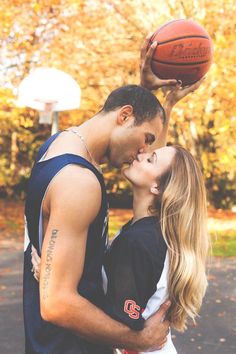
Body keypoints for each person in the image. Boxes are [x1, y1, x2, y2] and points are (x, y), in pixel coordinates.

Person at [24, 33, 202, 354]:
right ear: (123, 115)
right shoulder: (79, 182)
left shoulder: (58, 147)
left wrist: (153, 96)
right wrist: (139, 340)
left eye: (150, 148)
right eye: (146, 140)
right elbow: (56, 303)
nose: (143, 151)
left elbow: (157, 172)